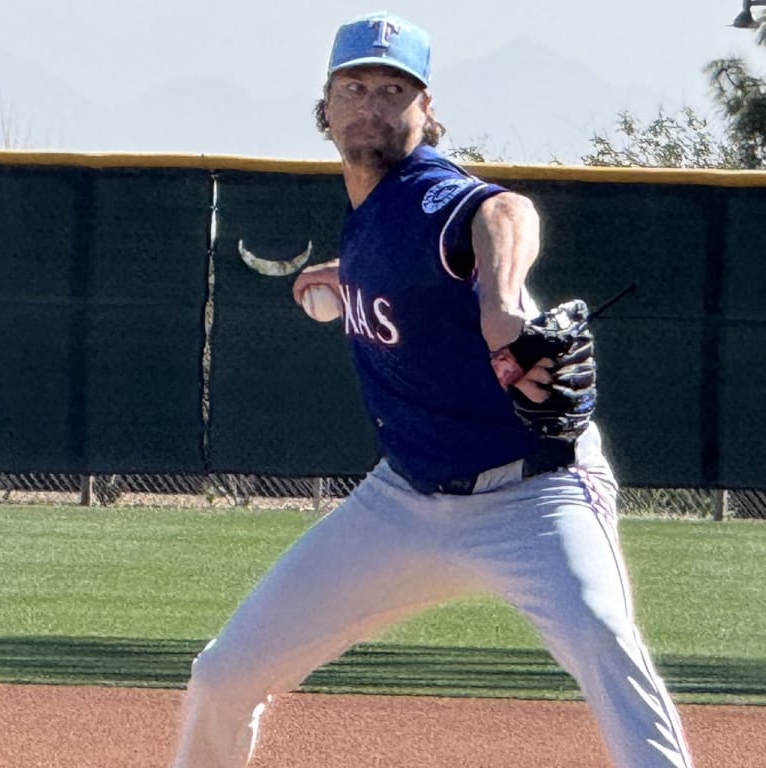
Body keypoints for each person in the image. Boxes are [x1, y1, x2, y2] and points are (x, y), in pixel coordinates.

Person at [171, 12, 694, 768]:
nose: (373, 104)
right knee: (224, 673)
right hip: (404, 501)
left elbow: (502, 210)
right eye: (355, 87)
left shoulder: (427, 189)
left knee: (606, 642)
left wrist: (504, 304)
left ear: (427, 110)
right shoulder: (370, 214)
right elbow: (405, 270)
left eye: (394, 89)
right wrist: (344, 281)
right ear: (326, 106)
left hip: (535, 497)